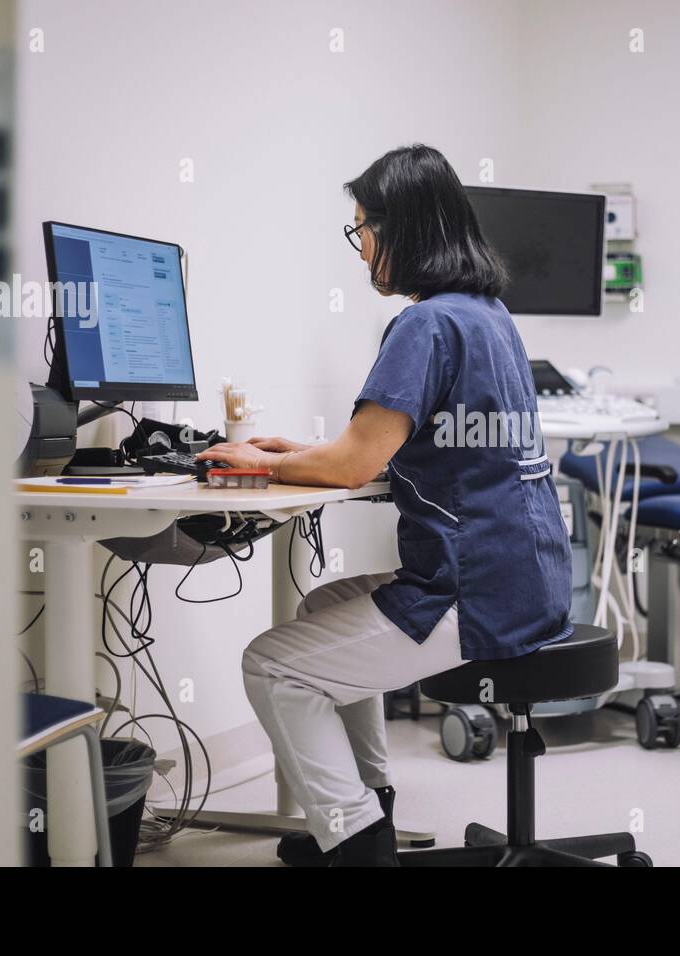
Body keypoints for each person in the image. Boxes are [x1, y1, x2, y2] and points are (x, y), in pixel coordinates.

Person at [196, 144, 573, 866]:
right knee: (319, 611)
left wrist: (265, 462)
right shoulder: (489, 315)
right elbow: (388, 444)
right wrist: (285, 458)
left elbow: (357, 461)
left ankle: (358, 842)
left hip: (478, 593)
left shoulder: (425, 324)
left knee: (271, 664)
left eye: (363, 228)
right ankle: (370, 799)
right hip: (530, 580)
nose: (360, 247)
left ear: (406, 230)